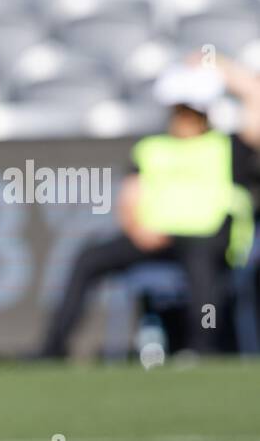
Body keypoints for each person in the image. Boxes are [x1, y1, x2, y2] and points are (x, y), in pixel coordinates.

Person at [40, 61, 258, 358]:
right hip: (155, 236)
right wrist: (136, 227)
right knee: (88, 258)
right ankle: (53, 348)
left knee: (204, 275)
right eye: (178, 111)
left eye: (188, 111)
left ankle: (201, 350)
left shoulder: (229, 145)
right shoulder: (152, 148)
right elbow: (130, 196)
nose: (182, 119)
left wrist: (216, 62)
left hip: (207, 237)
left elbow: (255, 100)